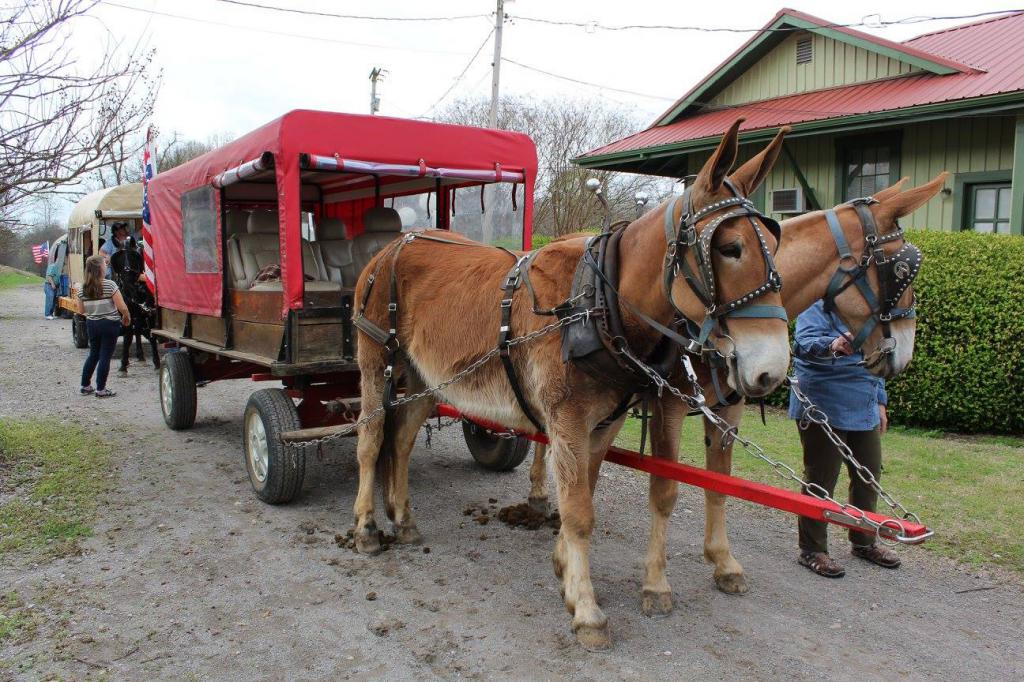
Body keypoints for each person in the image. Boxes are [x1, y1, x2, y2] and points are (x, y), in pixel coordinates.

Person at [789, 300, 901, 578]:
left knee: (868, 474)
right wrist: (833, 344)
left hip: (863, 399)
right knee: (821, 478)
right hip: (821, 399)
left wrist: (880, 402)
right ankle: (812, 549)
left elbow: (879, 357)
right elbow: (801, 345)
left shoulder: (868, 308)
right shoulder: (817, 304)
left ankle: (863, 542)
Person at [77, 254, 131, 398]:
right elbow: (122, 307)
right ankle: (101, 389)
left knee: (93, 354)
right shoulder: (110, 285)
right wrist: (127, 317)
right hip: (109, 324)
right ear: (100, 268)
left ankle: (85, 385)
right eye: (105, 264)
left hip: (92, 324)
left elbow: (81, 311)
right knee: (105, 355)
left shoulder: (82, 288)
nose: (106, 266)